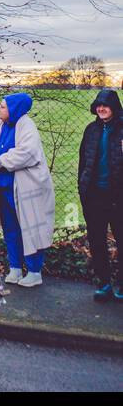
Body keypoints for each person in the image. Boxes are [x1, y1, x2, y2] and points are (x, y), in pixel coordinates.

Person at [0, 93, 56, 288]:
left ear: (13, 110)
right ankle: (15, 267)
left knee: (29, 227)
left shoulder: (26, 125)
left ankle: (34, 271)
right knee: (10, 228)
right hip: (3, 185)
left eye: (3, 106)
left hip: (25, 187)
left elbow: (27, 153)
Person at [78, 89, 123, 302]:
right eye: (99, 105)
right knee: (97, 242)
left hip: (118, 197)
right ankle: (104, 284)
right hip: (95, 197)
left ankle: (121, 286)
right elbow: (82, 163)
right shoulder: (91, 130)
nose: (101, 108)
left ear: (114, 107)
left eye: (105, 105)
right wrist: (83, 190)